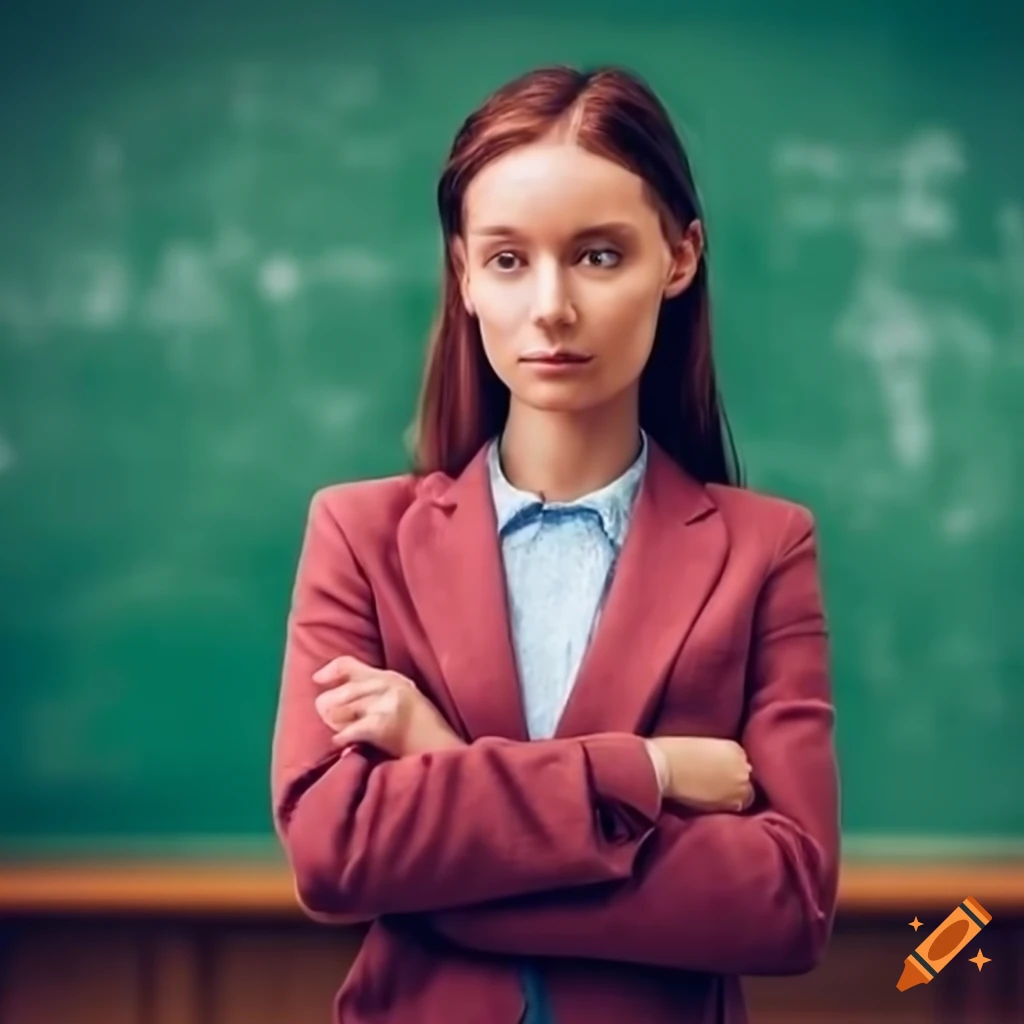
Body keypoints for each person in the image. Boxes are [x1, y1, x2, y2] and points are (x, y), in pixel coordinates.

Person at [271, 63, 840, 1024]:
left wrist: (441, 772)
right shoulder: (360, 535)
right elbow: (336, 853)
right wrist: (647, 773)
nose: (551, 308)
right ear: (462, 273)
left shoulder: (765, 549)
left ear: (680, 257)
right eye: (507, 259)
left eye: (599, 256)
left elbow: (785, 902)